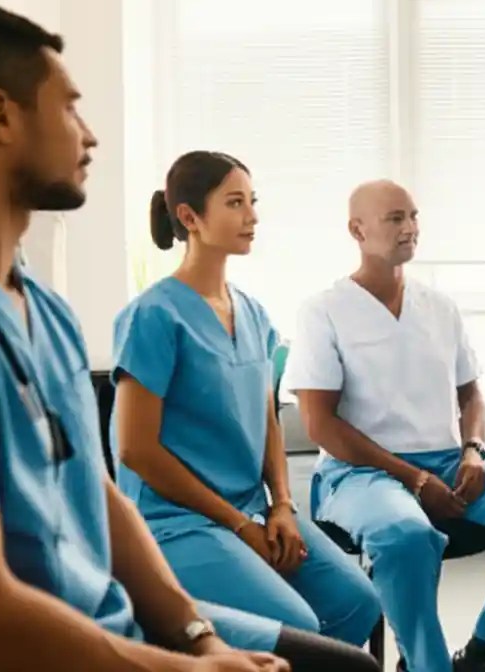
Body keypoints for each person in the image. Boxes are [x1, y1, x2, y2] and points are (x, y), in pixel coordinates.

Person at [0, 1, 290, 671]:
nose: (90, 134)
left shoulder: (43, 308)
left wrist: (201, 637)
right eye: (69, 108)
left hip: (110, 619)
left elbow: (97, 493)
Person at [281, 179, 485, 672]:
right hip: (359, 474)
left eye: (414, 216)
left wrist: (474, 449)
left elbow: (471, 393)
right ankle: (425, 665)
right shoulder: (323, 311)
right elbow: (320, 424)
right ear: (357, 229)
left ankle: (482, 653)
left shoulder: (439, 307)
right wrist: (413, 479)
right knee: (405, 535)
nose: (410, 228)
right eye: (395, 218)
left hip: (446, 459)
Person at [111, 151, 383, 658]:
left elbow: (267, 423)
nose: (252, 216)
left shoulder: (254, 315)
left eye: (252, 202)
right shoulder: (153, 315)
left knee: (356, 602)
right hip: (175, 523)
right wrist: (240, 526)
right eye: (235, 203)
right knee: (296, 624)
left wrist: (281, 504)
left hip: (252, 510)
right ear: (190, 218)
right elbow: (135, 451)